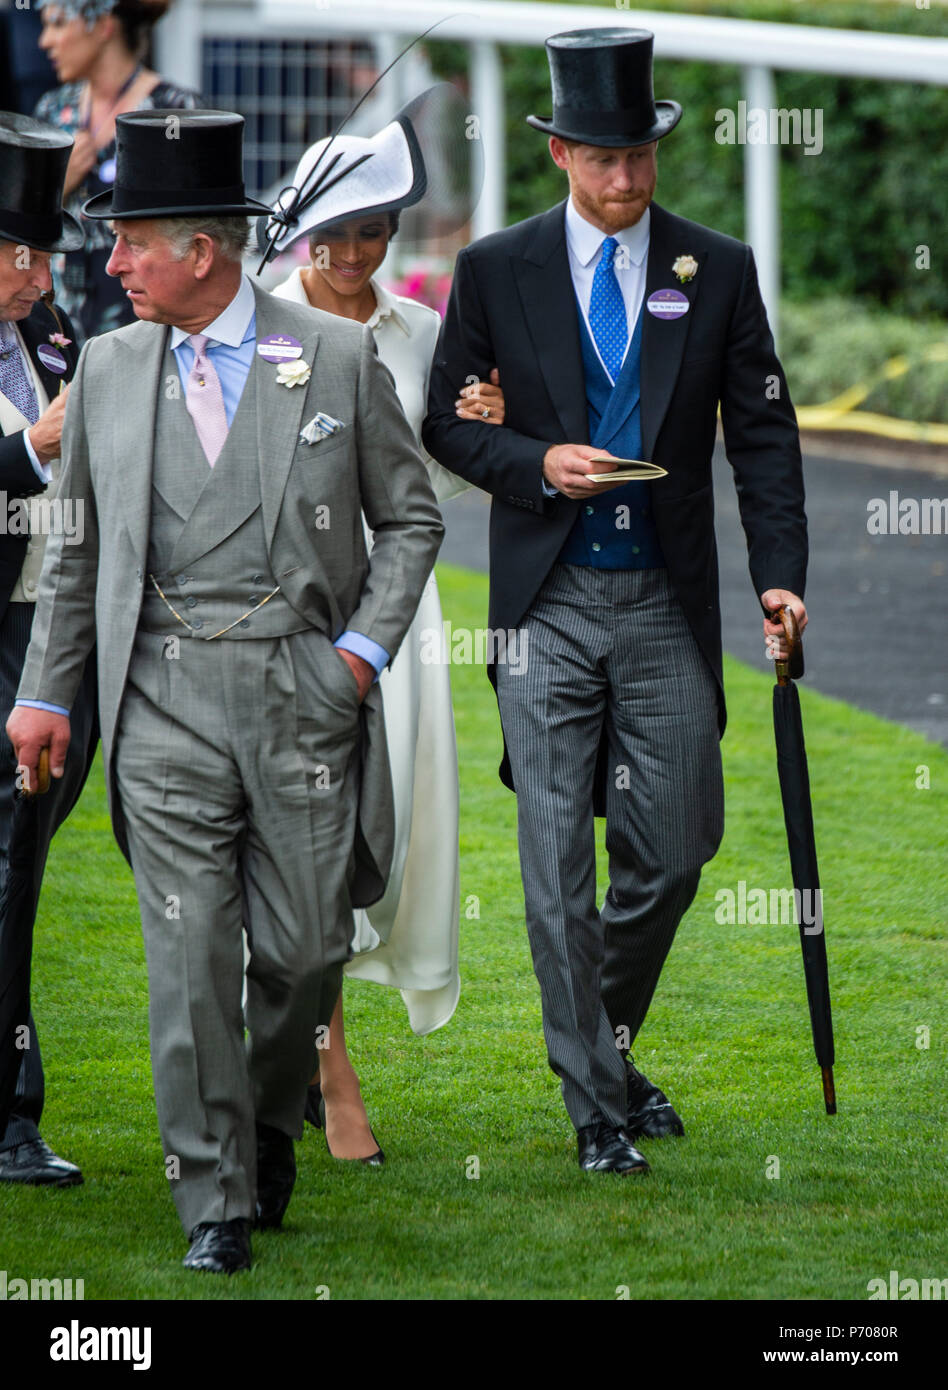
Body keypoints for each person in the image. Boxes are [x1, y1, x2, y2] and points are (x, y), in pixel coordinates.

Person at [7, 109, 443, 1273]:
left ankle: (264, 1122)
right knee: (189, 956)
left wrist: (360, 654)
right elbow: (79, 552)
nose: (112, 263)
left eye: (132, 241)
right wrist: (47, 696)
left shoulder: (337, 360)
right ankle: (215, 1198)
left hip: (305, 698)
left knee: (302, 955)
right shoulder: (106, 367)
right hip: (158, 707)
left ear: (202, 251)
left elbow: (411, 519)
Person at [423, 28, 808, 1176]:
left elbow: (768, 437)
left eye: (638, 154)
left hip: (665, 598)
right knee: (554, 861)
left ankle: (601, 1035)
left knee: (678, 847)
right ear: (556, 152)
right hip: (545, 604)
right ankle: (597, 1104)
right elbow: (447, 423)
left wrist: (780, 573)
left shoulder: (717, 267)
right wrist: (536, 461)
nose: (625, 178)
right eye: (601, 156)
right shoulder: (494, 270)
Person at [265, 106, 505, 1163]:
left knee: (393, 838)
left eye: (379, 230)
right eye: (343, 231)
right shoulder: (256, 320)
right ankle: (327, 1065)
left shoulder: (416, 330)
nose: (360, 252)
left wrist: (483, 428)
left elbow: (433, 474)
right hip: (289, 612)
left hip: (405, 622)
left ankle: (307, 1041)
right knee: (308, 840)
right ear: (306, 231)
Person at [0, 112, 97, 1188]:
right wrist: (36, 444)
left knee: (20, 868)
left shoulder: (56, 331)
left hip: (53, 632)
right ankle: (13, 1113)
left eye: (45, 250)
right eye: (20, 250)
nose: (40, 272)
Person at [34, 0, 199, 342]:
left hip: (145, 316)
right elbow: (20, 225)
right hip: (59, 316)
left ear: (104, 25)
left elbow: (195, 224)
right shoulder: (53, 110)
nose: (45, 41)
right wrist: (58, 187)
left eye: (58, 23)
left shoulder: (174, 111)